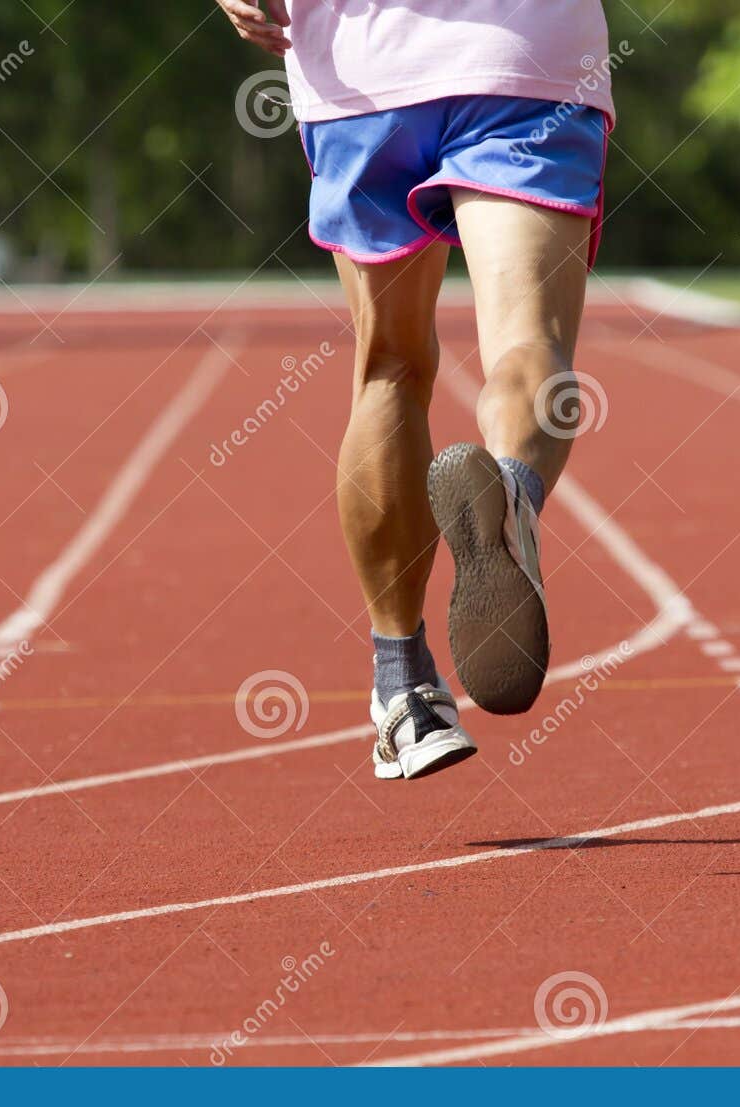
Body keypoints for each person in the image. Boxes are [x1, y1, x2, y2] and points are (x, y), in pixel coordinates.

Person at [216, 0, 613, 779]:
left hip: (362, 69)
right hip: (526, 54)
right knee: (527, 342)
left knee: (390, 366)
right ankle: (511, 494)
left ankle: (402, 686)